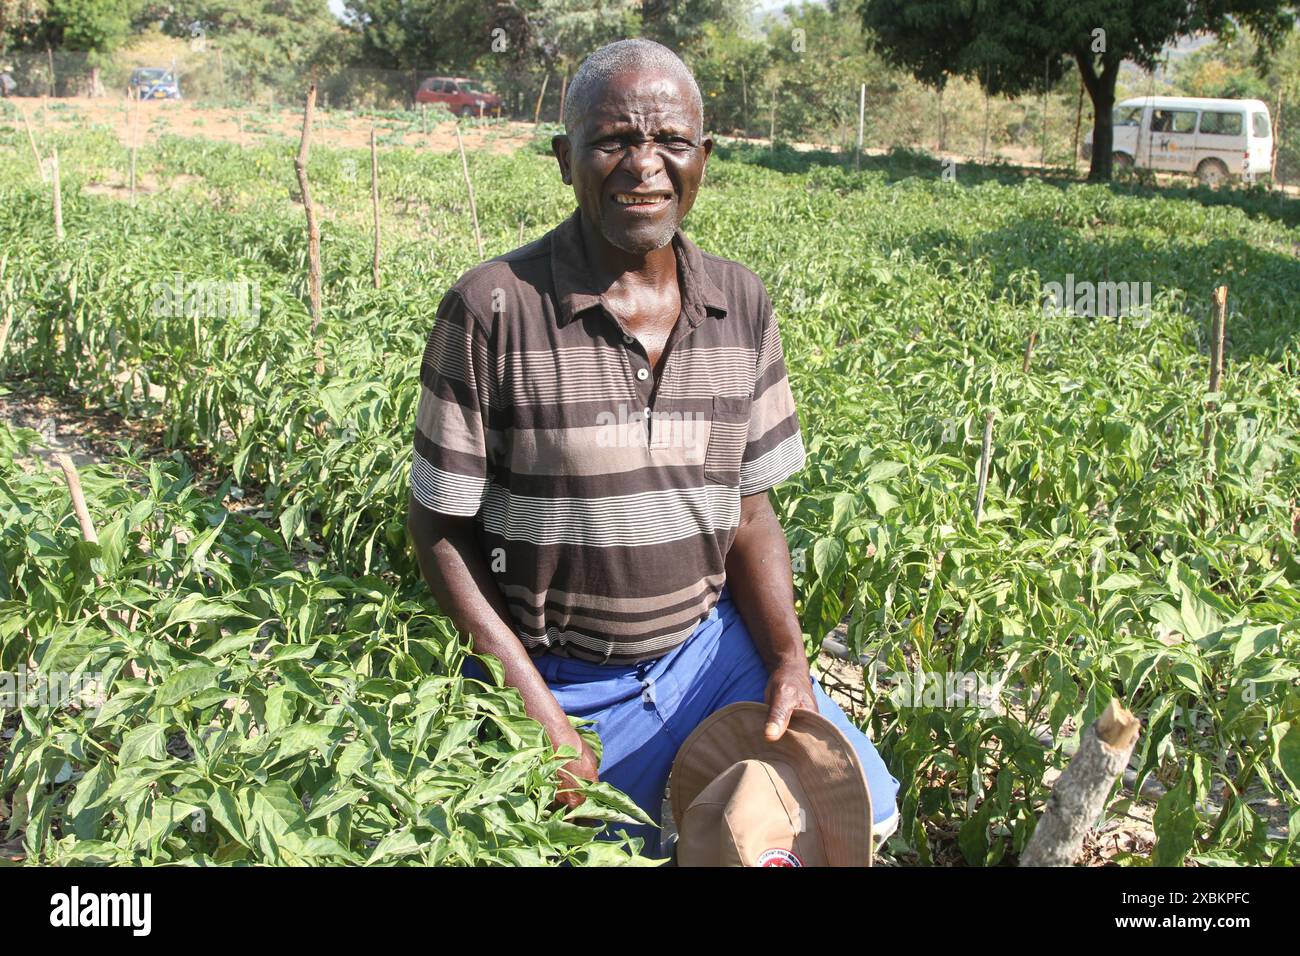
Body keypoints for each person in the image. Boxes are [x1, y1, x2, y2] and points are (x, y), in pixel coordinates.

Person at [407, 38, 899, 859]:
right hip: (567, 678)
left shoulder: (739, 302)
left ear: (704, 158)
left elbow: (750, 511)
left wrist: (787, 660)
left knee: (850, 819)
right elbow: (439, 532)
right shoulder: (493, 309)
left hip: (711, 656)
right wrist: (537, 712)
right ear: (565, 159)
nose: (646, 166)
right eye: (613, 141)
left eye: (671, 142)